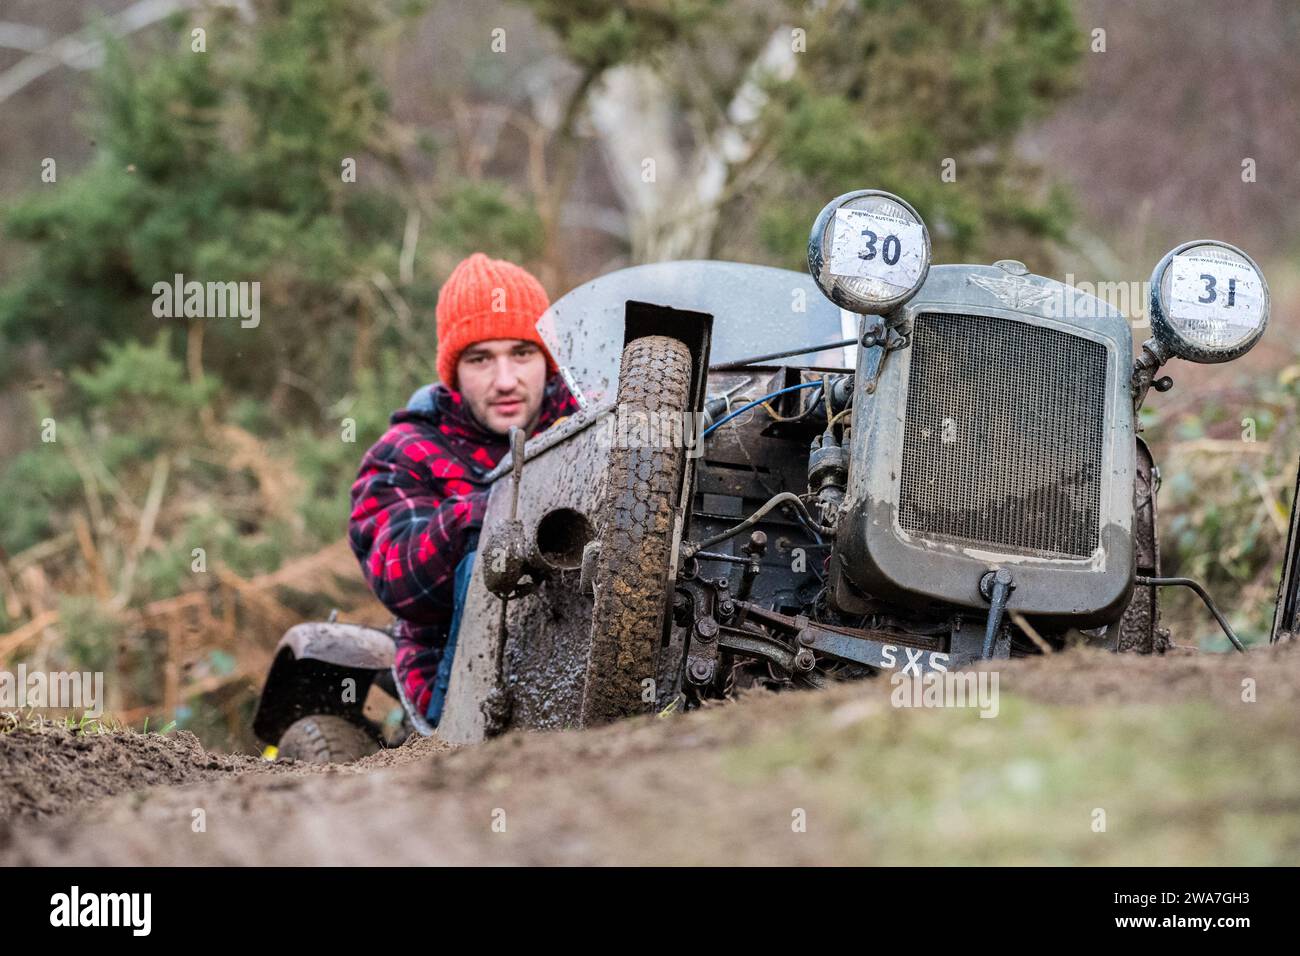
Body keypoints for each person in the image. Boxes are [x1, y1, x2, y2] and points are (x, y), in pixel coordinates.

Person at [348, 253, 579, 734]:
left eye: (522, 353)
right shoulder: (405, 452)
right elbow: (400, 579)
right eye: (481, 359)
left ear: (548, 359)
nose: (506, 380)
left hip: (591, 653)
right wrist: (491, 515)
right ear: (453, 371)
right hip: (454, 683)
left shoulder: (591, 427)